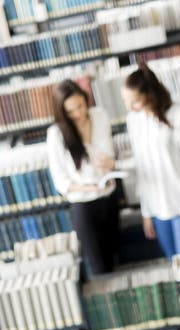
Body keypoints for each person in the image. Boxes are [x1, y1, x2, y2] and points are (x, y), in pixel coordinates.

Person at [122, 63, 180, 259]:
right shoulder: (133, 120)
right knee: (173, 263)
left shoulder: (177, 115)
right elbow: (143, 169)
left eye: (135, 101)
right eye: (126, 101)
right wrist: (146, 214)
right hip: (157, 208)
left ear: (149, 94)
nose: (130, 107)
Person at [46, 79, 119, 275]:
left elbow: (111, 154)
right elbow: (61, 182)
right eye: (70, 111)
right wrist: (89, 188)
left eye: (80, 105)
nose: (78, 113)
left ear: (86, 99)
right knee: (100, 268)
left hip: (110, 197)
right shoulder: (56, 134)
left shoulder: (100, 116)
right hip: (85, 206)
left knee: (116, 258)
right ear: (62, 112)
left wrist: (111, 163)